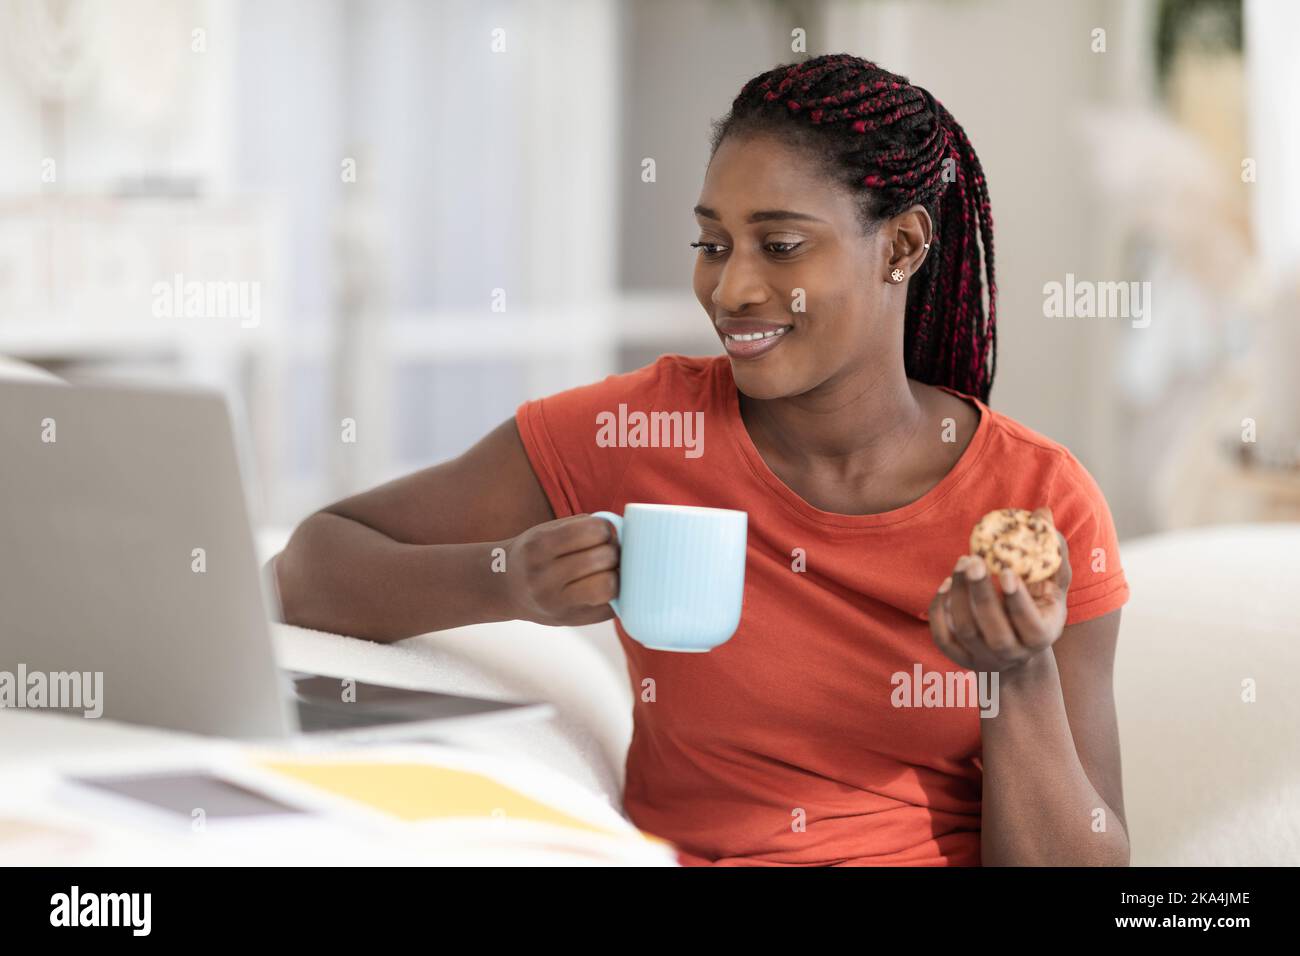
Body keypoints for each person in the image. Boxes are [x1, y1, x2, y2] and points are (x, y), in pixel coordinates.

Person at [271, 53, 1131, 866]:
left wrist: (1015, 677)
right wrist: (505, 580)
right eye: (712, 244)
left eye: (781, 245)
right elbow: (308, 567)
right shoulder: (639, 429)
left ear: (902, 247)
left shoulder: (1039, 499)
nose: (731, 289)